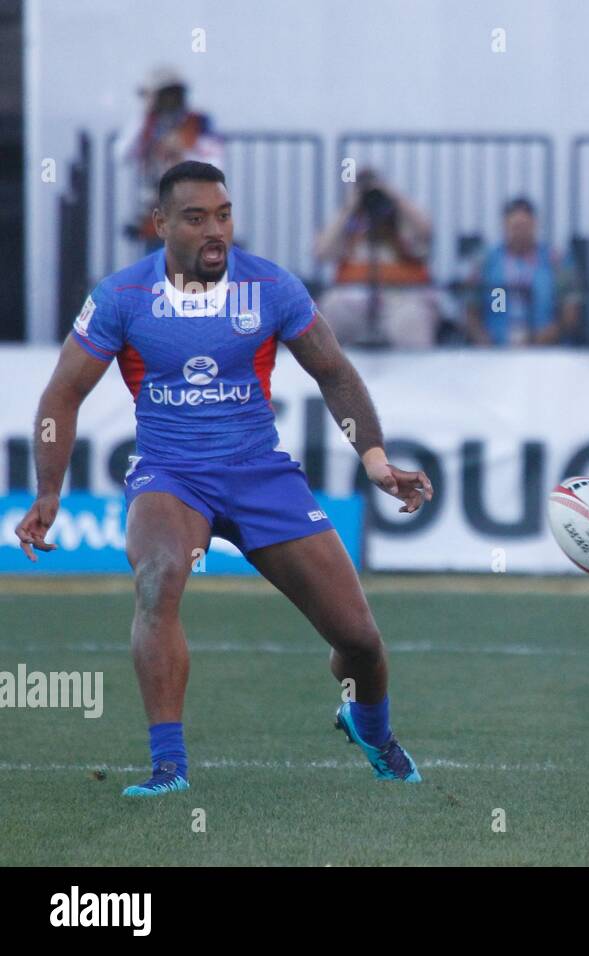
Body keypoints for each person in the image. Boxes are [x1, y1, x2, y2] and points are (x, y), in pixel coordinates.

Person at [14, 162, 431, 796]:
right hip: (170, 476)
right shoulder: (121, 298)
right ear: (160, 225)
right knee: (158, 580)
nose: (216, 230)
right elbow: (62, 395)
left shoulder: (270, 287)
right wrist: (48, 491)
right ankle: (168, 767)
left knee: (360, 641)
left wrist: (374, 458)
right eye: (197, 217)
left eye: (224, 214)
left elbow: (334, 372)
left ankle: (369, 727)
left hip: (262, 474)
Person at [314, 170, 440, 348]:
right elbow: (321, 252)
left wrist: (391, 195)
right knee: (329, 309)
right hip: (351, 298)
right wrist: (350, 207)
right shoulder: (350, 227)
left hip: (402, 297)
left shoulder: (401, 225)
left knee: (413, 319)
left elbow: (425, 232)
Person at [116, 66, 224, 252]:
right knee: (157, 265)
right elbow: (122, 153)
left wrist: (183, 152)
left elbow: (215, 161)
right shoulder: (147, 125)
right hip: (157, 208)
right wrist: (144, 117)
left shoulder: (198, 123)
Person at [464, 197, 582, 346]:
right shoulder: (485, 261)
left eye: (524, 226)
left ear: (535, 225)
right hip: (495, 351)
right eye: (515, 227)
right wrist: (483, 341)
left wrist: (545, 337)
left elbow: (571, 312)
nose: (519, 232)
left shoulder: (557, 261)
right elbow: (469, 310)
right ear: (504, 226)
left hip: (547, 352)